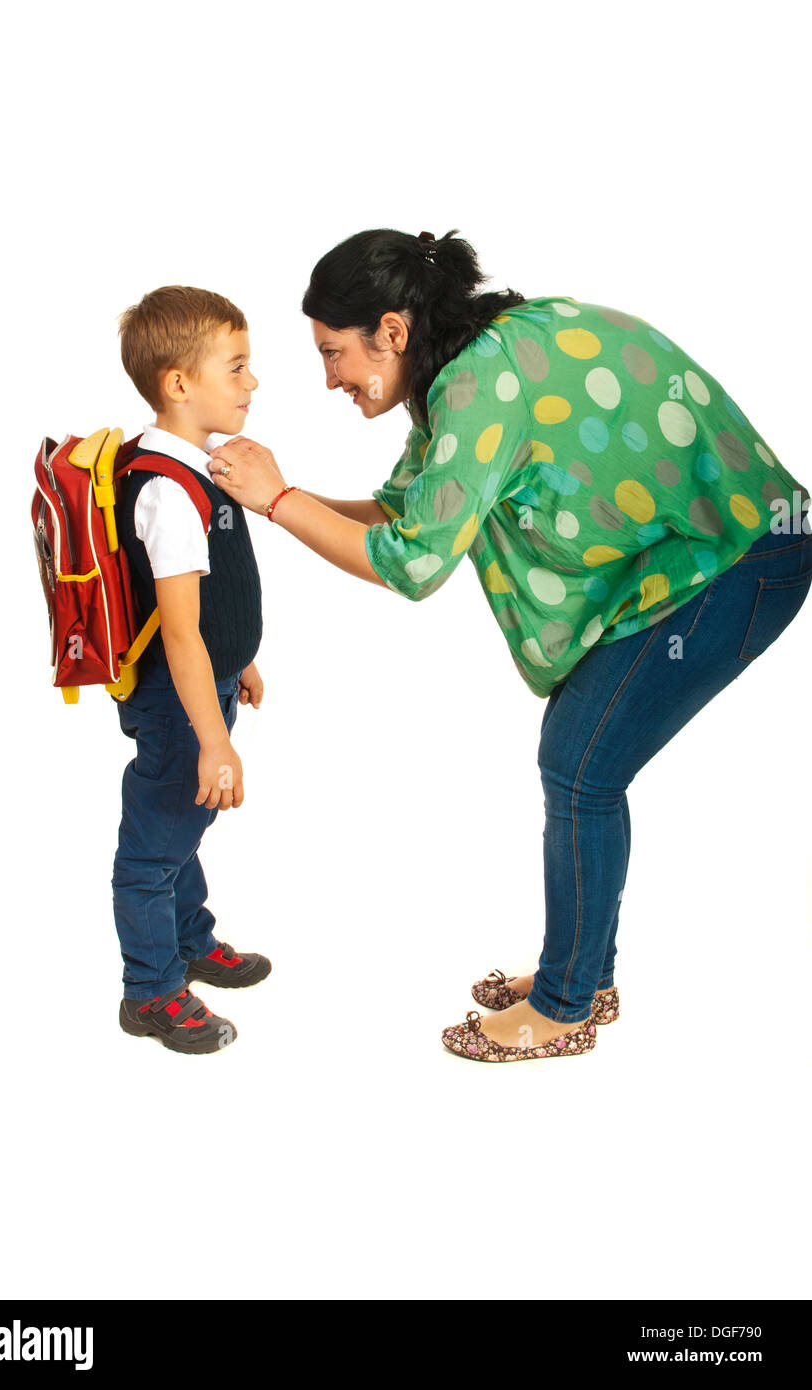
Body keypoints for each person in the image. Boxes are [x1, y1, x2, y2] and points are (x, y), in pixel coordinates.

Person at [206, 229, 812, 1066]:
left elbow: (413, 565)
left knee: (580, 763)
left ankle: (564, 1005)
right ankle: (581, 976)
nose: (329, 379)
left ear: (392, 330)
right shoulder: (471, 366)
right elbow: (404, 514)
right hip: (710, 556)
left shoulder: (479, 388)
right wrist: (282, 499)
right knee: (580, 760)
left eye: (334, 353)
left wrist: (276, 501)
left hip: (742, 556)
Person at [113, 285, 271, 1055]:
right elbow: (177, 635)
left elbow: (208, 606)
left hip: (206, 686)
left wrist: (238, 661)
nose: (252, 383)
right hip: (181, 703)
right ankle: (149, 991)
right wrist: (214, 739)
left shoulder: (198, 472)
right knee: (153, 848)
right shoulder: (169, 493)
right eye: (236, 368)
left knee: (184, 824)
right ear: (179, 383)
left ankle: (190, 939)